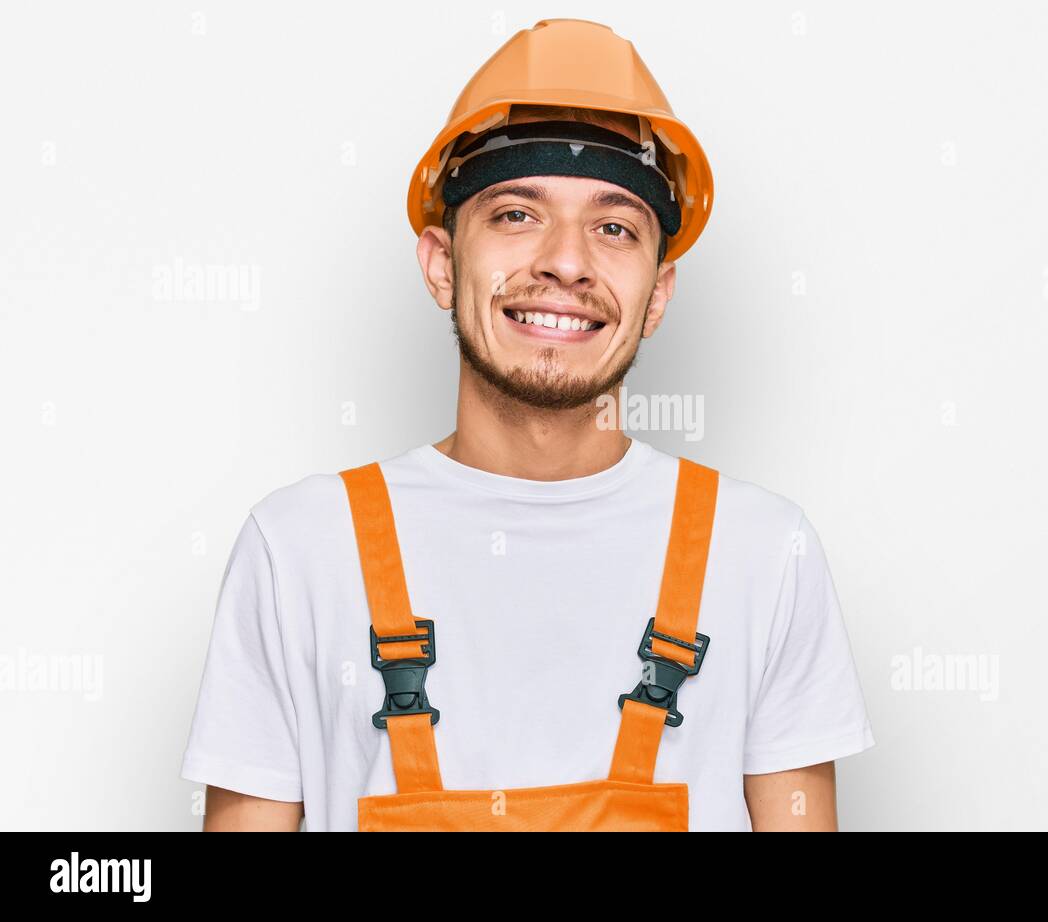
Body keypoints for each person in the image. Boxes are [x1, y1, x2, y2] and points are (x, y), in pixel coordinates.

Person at [181, 18, 873, 832]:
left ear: (658, 295)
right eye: (516, 213)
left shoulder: (761, 553)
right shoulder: (299, 549)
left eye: (615, 227)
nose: (567, 263)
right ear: (442, 264)